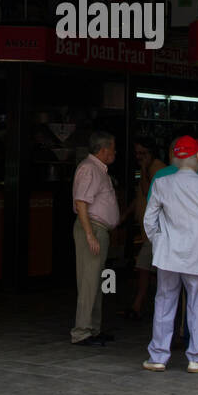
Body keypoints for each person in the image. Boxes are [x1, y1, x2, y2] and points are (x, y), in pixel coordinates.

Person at [141, 135, 198, 372]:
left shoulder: (163, 184)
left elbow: (150, 220)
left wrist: (159, 242)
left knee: (165, 302)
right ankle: (196, 358)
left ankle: (158, 356)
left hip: (169, 253)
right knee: (197, 304)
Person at [70, 131, 120, 347]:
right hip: (92, 228)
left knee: (96, 282)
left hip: (98, 229)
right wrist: (90, 234)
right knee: (89, 282)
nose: (115, 152)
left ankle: (93, 328)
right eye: (113, 148)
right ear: (103, 150)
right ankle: (81, 332)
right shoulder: (89, 169)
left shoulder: (98, 170)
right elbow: (81, 203)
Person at [128, 139, 166, 321]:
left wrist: (143, 169)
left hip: (155, 231)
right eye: (137, 153)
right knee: (145, 268)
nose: (139, 157)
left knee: (145, 266)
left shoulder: (156, 169)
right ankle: (140, 304)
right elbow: (139, 199)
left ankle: (140, 305)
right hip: (148, 231)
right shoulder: (151, 168)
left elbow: (146, 192)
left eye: (143, 153)